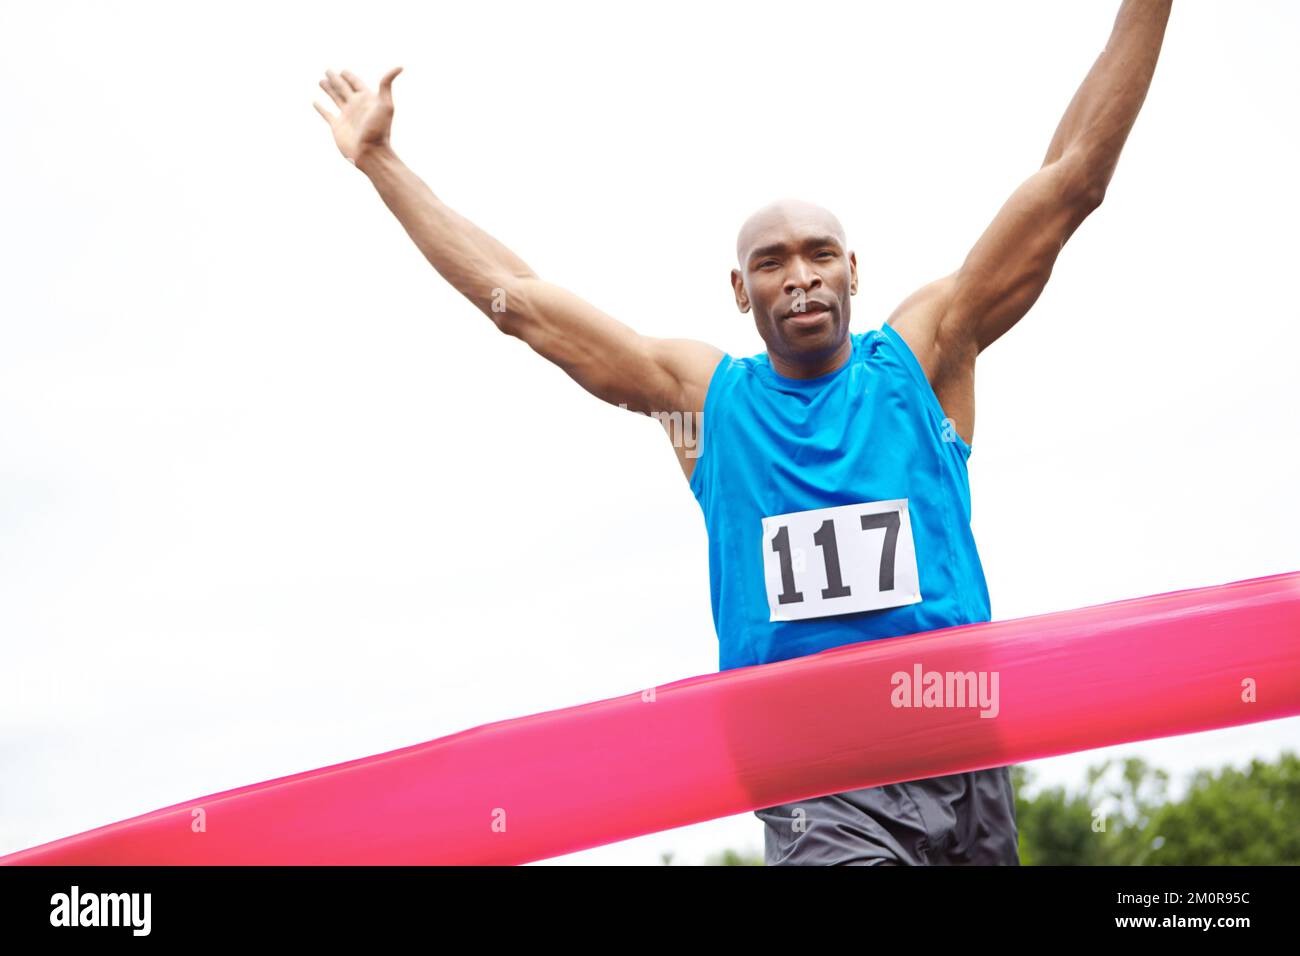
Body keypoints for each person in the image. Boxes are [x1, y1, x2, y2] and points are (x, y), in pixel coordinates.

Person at [313, 0, 1172, 865]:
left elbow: (1071, 182)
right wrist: (382, 162)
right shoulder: (702, 401)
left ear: (853, 272)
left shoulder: (930, 354)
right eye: (772, 263)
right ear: (739, 290)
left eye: (818, 254)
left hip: (962, 756)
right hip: (818, 786)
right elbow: (521, 304)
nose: (799, 278)